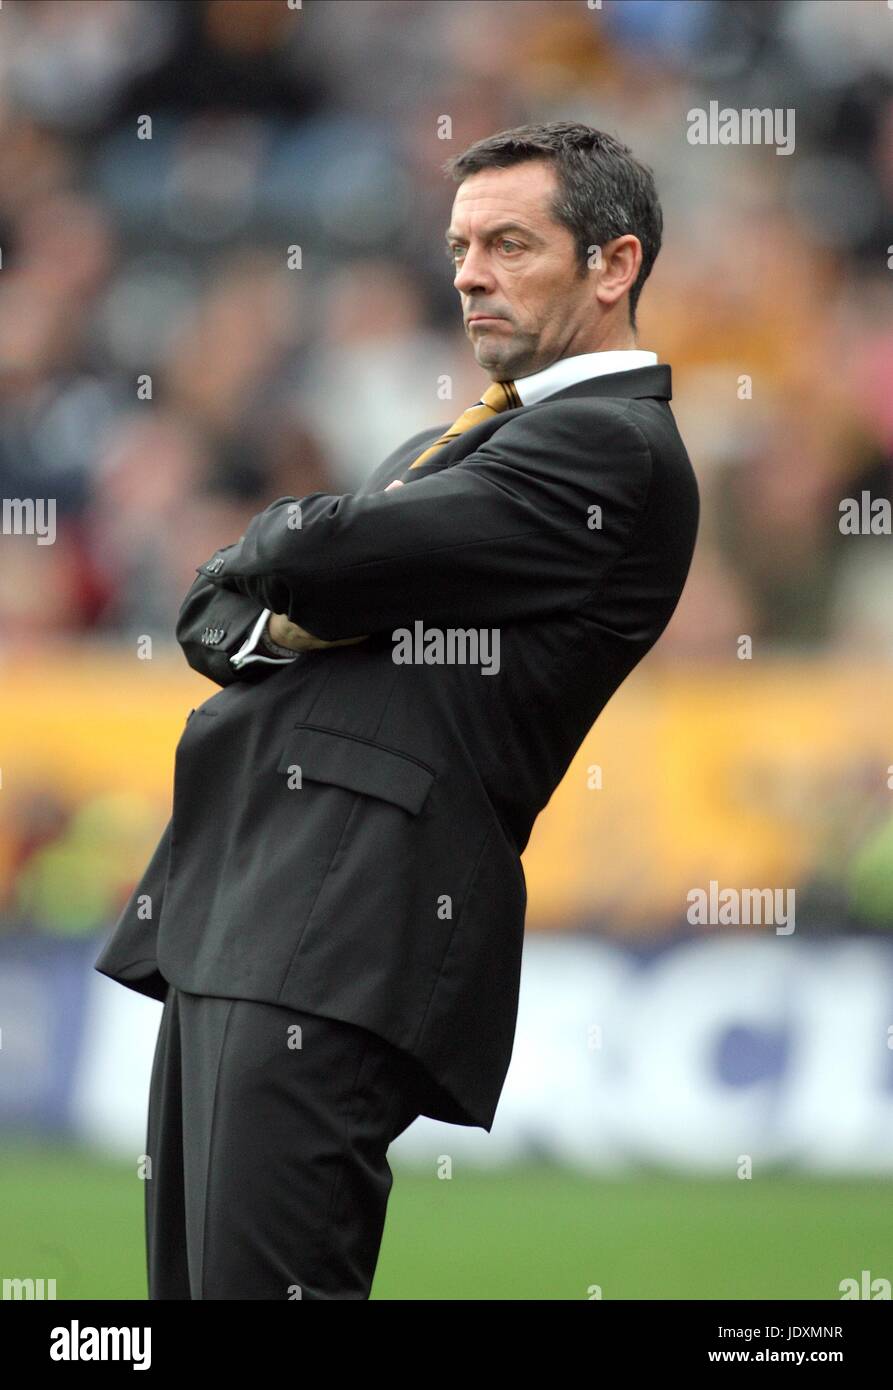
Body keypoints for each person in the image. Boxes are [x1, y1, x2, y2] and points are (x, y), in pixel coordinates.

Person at [95, 120, 699, 1300]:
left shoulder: (610, 448)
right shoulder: (462, 440)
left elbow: (320, 551)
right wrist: (295, 575)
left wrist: (289, 553)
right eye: (461, 243)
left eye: (510, 243)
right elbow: (212, 614)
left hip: (344, 920)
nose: (468, 270)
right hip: (249, 902)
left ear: (611, 264)